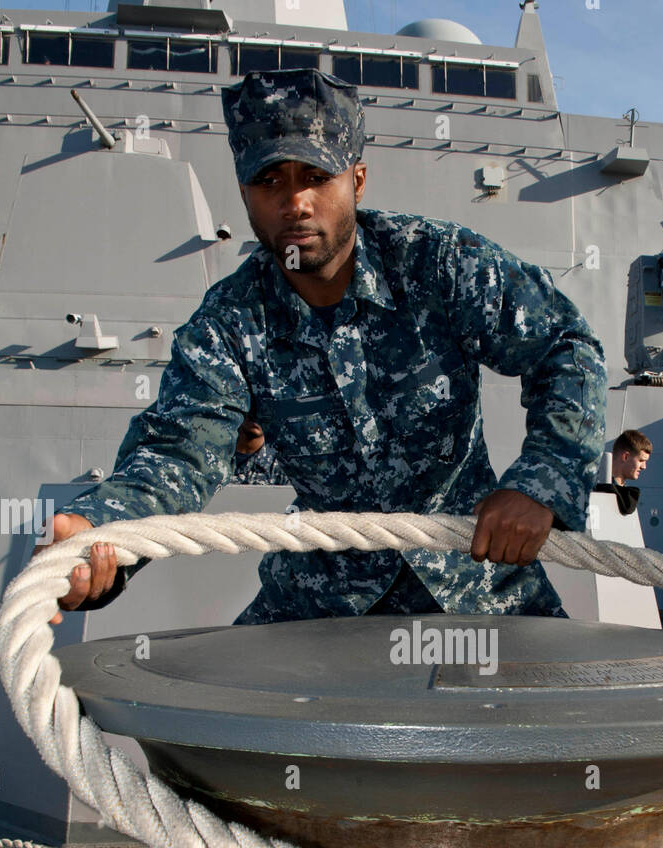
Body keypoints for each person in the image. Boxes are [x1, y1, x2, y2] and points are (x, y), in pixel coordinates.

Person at [39, 69, 607, 626]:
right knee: (208, 709)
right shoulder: (229, 323)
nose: (295, 203)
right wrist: (97, 533)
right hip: (322, 599)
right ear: (245, 194)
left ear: (356, 181)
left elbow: (565, 347)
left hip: (479, 583)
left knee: (565, 710)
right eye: (269, 182)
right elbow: (178, 451)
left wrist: (539, 483)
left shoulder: (440, 264)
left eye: (315, 175)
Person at [593, 429, 651, 517]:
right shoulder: (594, 491)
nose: (644, 467)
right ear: (626, 457)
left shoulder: (626, 498)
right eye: (641, 460)